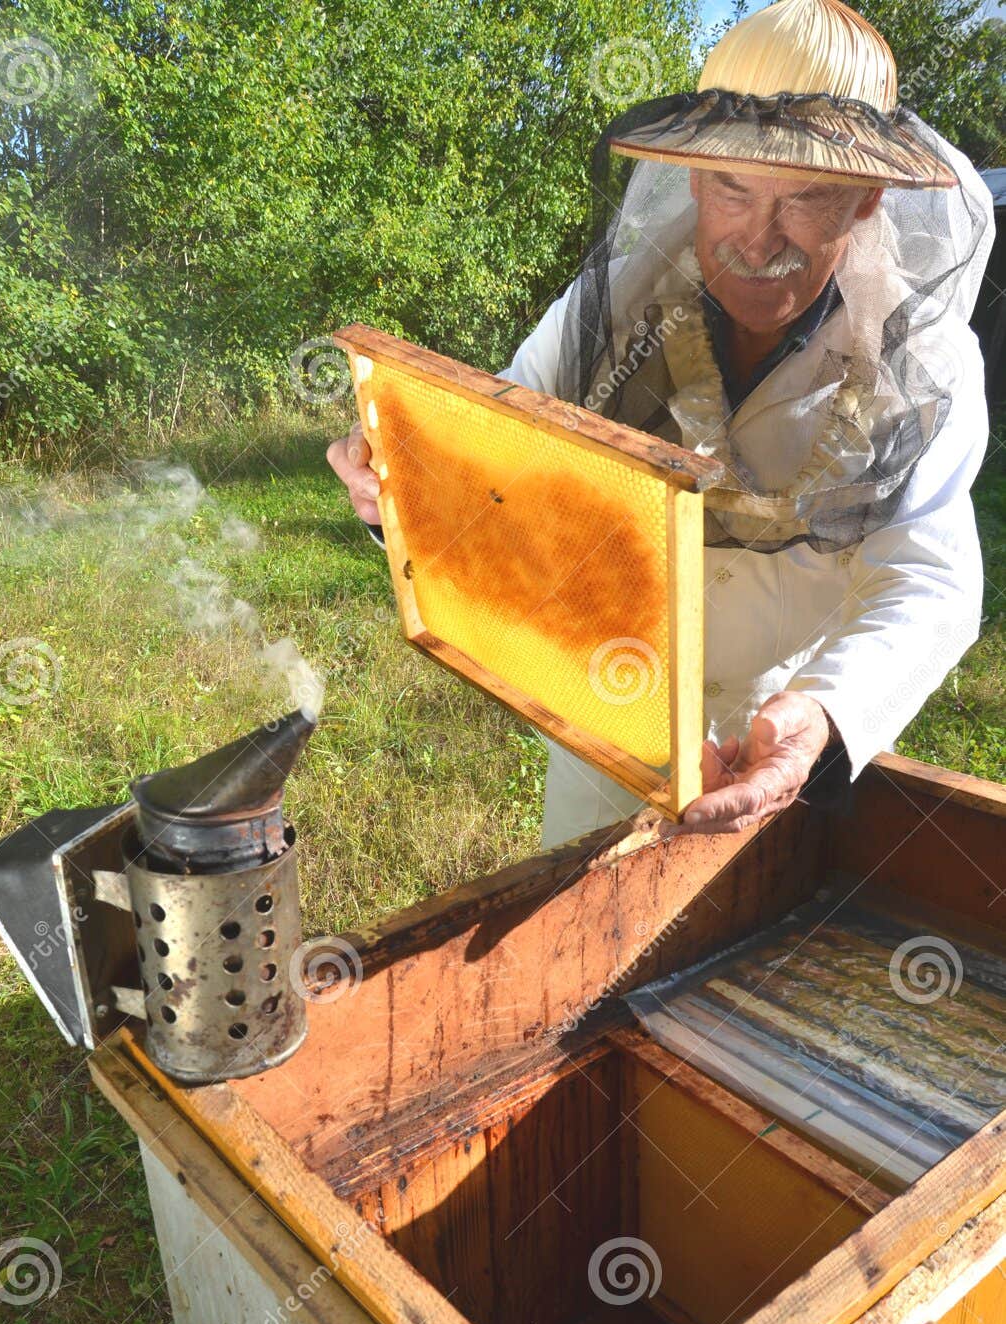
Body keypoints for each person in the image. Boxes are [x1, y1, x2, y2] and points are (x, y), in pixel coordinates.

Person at [328, 0, 994, 846]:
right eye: (732, 188)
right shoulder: (610, 307)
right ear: (691, 176)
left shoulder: (920, 361)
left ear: (867, 202)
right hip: (606, 709)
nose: (758, 241)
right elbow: (497, 460)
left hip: (787, 732)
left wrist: (822, 718)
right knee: (583, 954)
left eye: (809, 199)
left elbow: (928, 580)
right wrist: (404, 483)